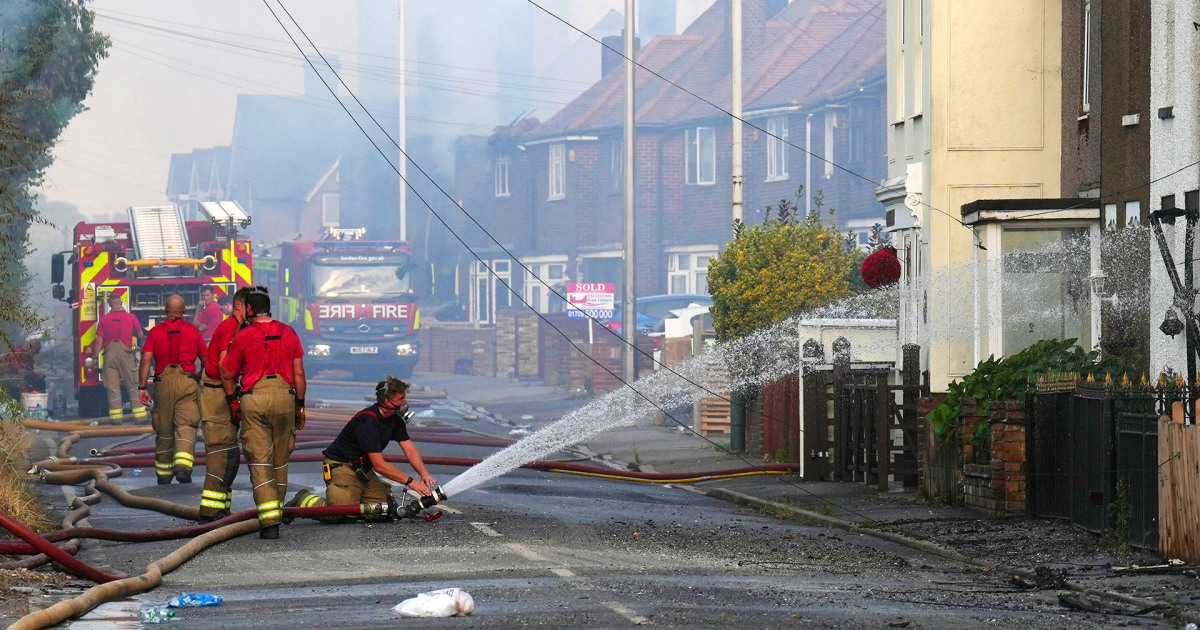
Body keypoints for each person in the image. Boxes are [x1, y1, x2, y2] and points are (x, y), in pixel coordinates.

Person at [284, 377, 436, 521]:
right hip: (342, 467)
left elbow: (409, 449)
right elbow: (379, 465)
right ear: (387, 401)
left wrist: (424, 474)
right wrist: (411, 482)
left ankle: (356, 501)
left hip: (363, 470)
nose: (405, 403)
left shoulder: (395, 421)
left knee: (383, 511)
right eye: (400, 400)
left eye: (404, 398)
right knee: (340, 514)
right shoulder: (368, 422)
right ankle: (302, 499)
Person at [220, 288, 306, 540]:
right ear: (269, 308)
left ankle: (269, 523)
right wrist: (299, 405)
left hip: (254, 399)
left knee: (259, 461)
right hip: (285, 398)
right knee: (280, 459)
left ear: (248, 310)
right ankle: (277, 510)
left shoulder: (244, 335)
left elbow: (227, 373)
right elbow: (299, 374)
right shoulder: (289, 333)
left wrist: (232, 402)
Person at [138, 296, 206, 485]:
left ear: (165, 311)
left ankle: (164, 474)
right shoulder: (193, 331)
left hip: (163, 383)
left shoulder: (155, 332)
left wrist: (142, 387)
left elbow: (146, 360)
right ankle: (183, 468)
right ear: (184, 311)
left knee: (164, 429)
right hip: (187, 382)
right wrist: (199, 377)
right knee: (186, 426)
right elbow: (206, 358)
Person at [197, 287, 252, 522]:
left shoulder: (238, 327)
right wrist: (233, 400)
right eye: (251, 306)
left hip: (222, 391)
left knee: (229, 454)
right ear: (239, 305)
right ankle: (210, 512)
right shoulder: (230, 327)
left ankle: (221, 509)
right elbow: (223, 366)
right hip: (217, 394)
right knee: (221, 453)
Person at [92, 294, 147, 423]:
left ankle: (116, 419)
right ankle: (139, 417)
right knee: (133, 385)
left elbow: (99, 342)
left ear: (110, 305)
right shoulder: (131, 317)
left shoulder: (104, 320)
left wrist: (95, 358)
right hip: (126, 354)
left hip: (109, 356)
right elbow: (140, 334)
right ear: (121, 303)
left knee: (113, 388)